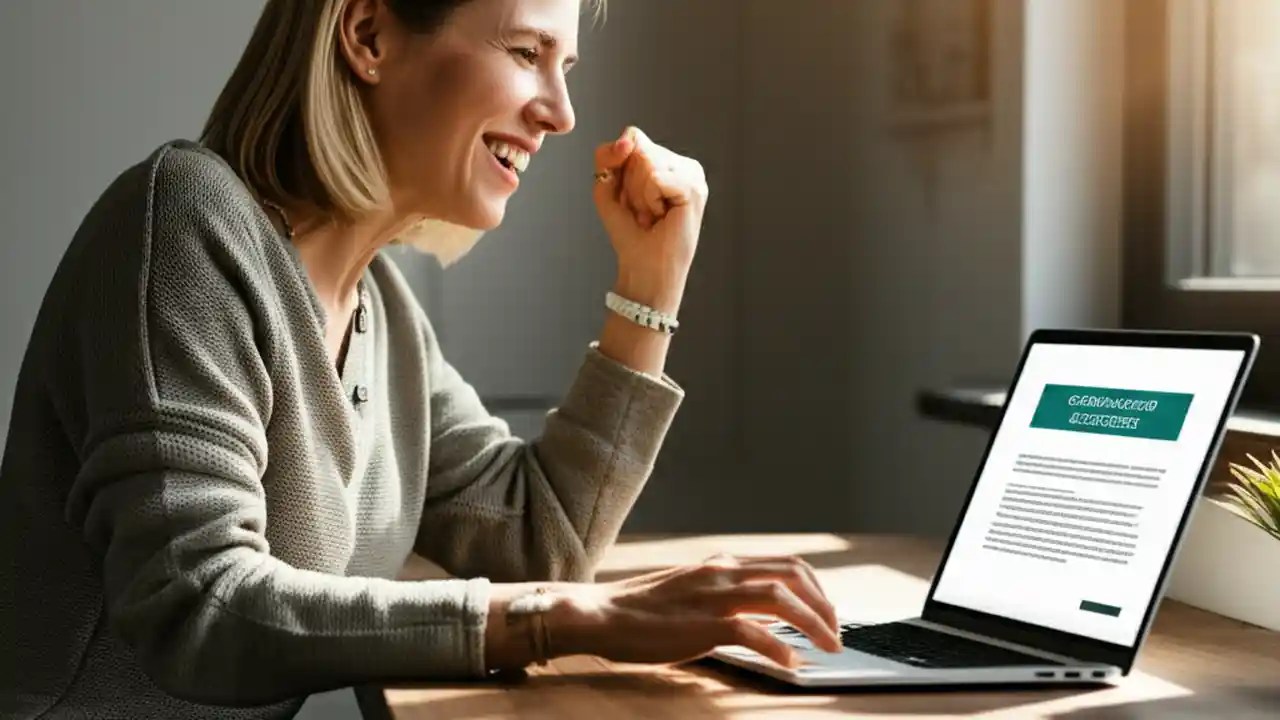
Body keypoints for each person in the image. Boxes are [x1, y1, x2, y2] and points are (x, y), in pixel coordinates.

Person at [0, 0, 841, 717]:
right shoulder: (187, 221)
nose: (560, 111)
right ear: (367, 34)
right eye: (526, 53)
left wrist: (650, 288)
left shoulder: (383, 311)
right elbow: (197, 603)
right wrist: (568, 618)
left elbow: (537, 539)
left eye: (568, 66)